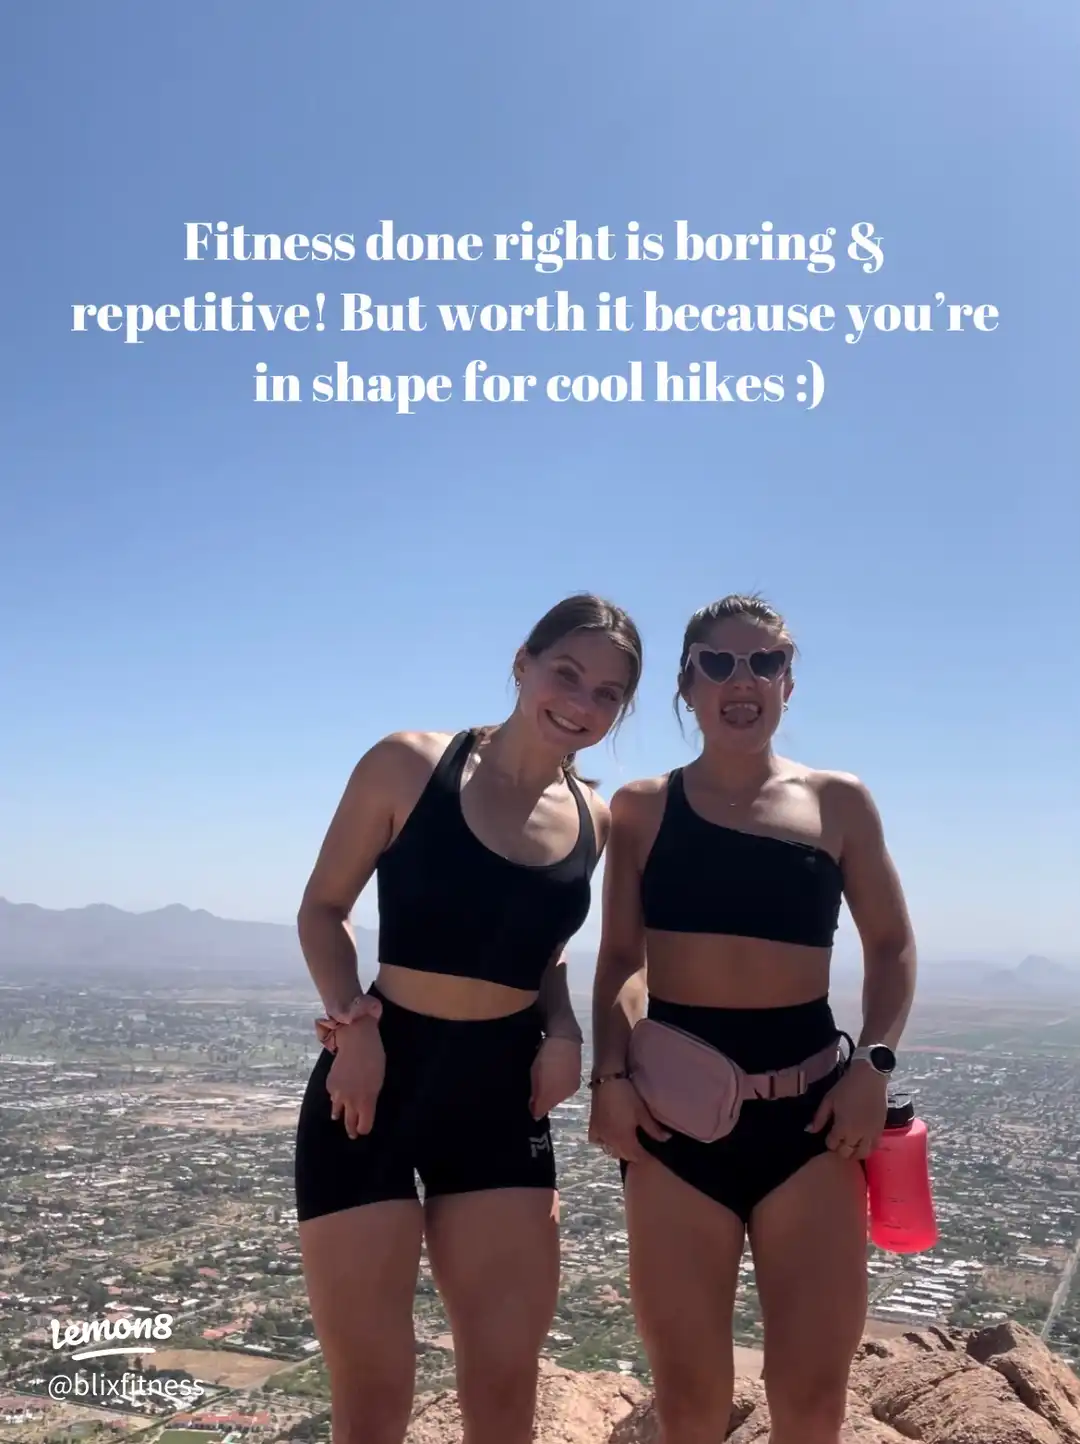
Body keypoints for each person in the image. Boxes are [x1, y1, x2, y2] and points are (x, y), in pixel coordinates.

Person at [294, 593, 642, 1444]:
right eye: (567, 672)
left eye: (608, 693)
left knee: (502, 1386)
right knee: (374, 1395)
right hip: (373, 1081)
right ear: (521, 664)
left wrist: (564, 1033)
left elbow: (547, 952)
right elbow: (323, 910)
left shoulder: (596, 818)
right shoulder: (409, 766)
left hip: (501, 1093)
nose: (582, 702)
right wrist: (356, 1026)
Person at [589, 593, 916, 1444]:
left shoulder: (839, 805)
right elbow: (622, 963)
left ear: (789, 685)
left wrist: (871, 1068)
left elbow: (892, 949)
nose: (744, 681)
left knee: (810, 1402)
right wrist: (610, 1079)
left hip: (811, 1121)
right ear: (687, 684)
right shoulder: (640, 810)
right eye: (719, 662)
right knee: (690, 1404)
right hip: (674, 1127)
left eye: (764, 662)